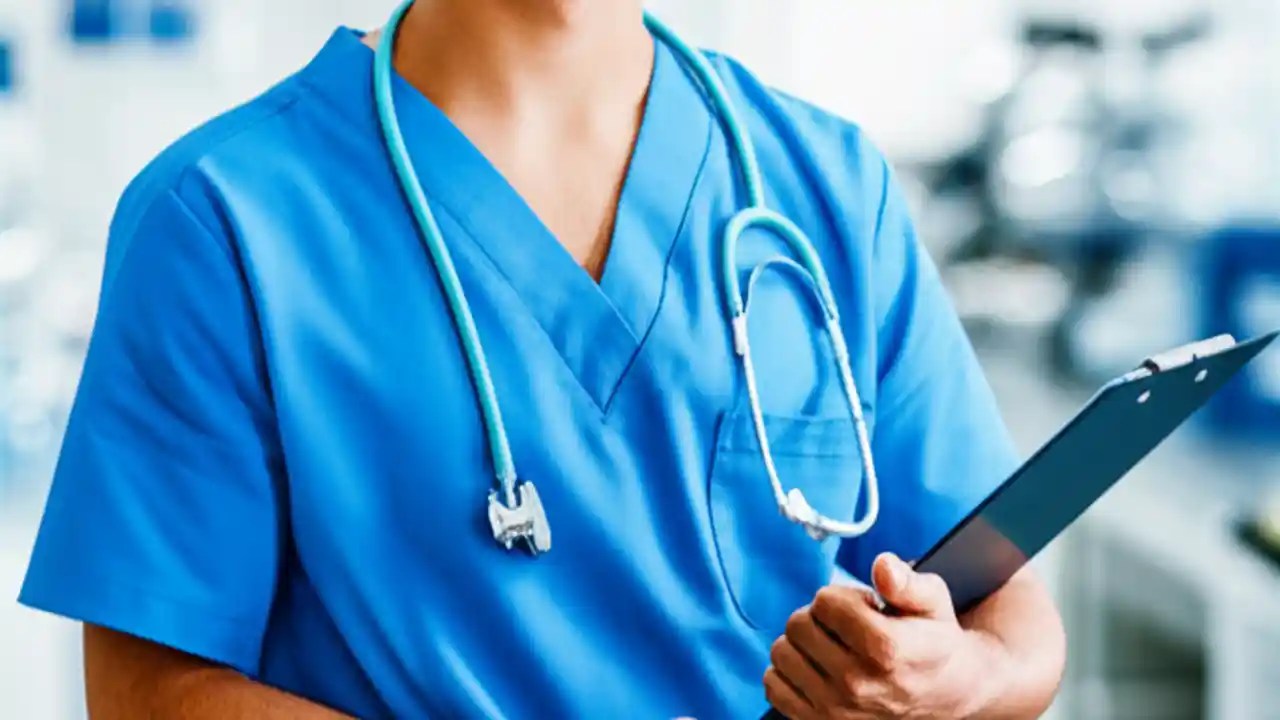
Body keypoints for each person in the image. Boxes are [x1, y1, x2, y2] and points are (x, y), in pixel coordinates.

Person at [19, 1, 1066, 718]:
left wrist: (951, 682)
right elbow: (147, 692)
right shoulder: (222, 219)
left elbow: (1010, 617)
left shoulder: (824, 188)